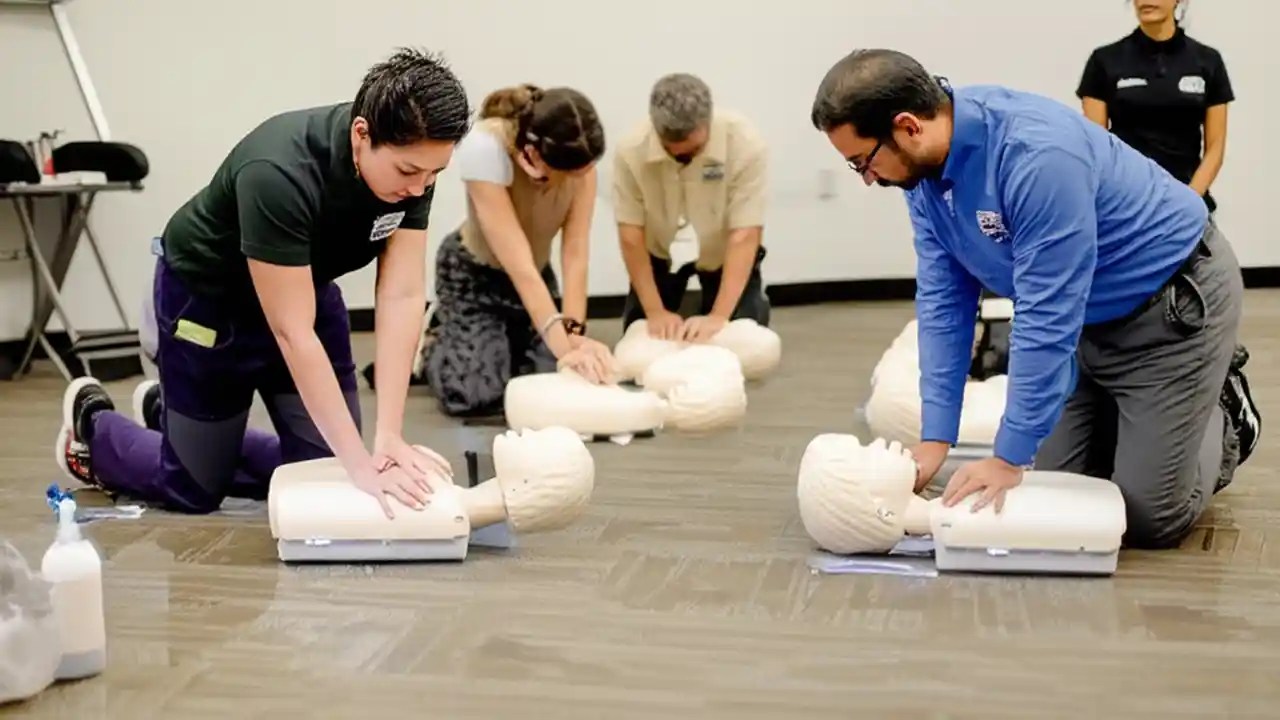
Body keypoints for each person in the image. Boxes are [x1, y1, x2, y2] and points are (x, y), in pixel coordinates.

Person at [809, 48, 1262, 549]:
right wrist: (937, 438)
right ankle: (1138, 421)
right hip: (1086, 324)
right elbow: (943, 303)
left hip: (1171, 311)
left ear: (908, 126)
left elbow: (1046, 316)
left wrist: (1006, 457)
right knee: (1056, 494)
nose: (869, 179)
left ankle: (1220, 406)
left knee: (1145, 518)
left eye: (862, 162)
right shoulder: (922, 178)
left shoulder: (1035, 157)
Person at [56, 48, 471, 519]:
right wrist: (362, 464)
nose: (420, 188)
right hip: (210, 302)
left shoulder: (413, 171)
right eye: (409, 172)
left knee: (328, 474)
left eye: (434, 173)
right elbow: (292, 332)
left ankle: (169, 416)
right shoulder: (279, 171)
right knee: (193, 490)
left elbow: (401, 295)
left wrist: (389, 437)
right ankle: (93, 427)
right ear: (362, 134)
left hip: (305, 293)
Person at [413, 83, 617, 417]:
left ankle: (509, 342)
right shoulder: (486, 147)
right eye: (564, 174)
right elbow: (518, 264)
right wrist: (564, 346)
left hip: (536, 275)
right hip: (473, 275)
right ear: (534, 154)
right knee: (474, 394)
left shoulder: (581, 167)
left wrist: (574, 334)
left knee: (552, 378)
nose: (573, 180)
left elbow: (575, 254)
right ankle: (438, 339)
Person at [613, 73, 771, 342]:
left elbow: (745, 235)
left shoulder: (745, 144)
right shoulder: (631, 151)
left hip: (724, 249)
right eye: (671, 152)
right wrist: (654, 312)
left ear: (707, 122)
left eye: (692, 152)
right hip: (658, 250)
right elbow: (631, 236)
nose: (681, 158)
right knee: (641, 338)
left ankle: (745, 305)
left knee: (744, 338)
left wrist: (719, 317)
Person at [1077, 0, 1232, 213]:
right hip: (1127, 206)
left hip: (1188, 203)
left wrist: (1189, 201)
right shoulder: (1104, 60)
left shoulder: (1208, 61)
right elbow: (1097, 146)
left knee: (1219, 248)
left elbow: (1215, 146)